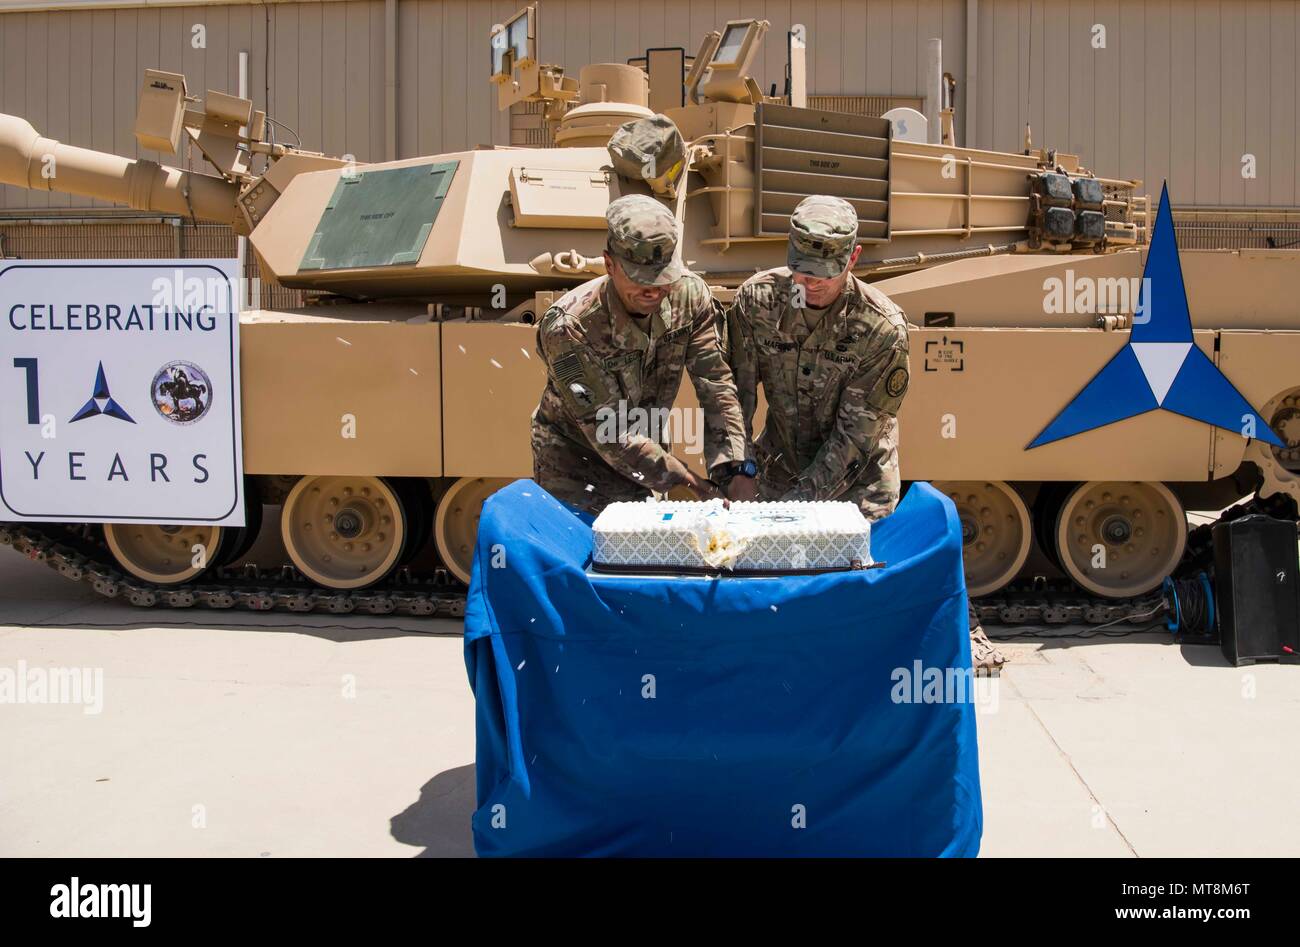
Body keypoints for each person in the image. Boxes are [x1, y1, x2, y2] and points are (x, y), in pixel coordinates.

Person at [724, 195, 1005, 672]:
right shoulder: (758, 302)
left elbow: (855, 439)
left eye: (823, 271)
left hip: (857, 483)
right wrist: (739, 468)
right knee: (769, 601)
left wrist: (793, 511)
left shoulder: (881, 328)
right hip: (779, 466)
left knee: (861, 604)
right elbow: (737, 399)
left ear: (853, 258)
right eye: (800, 268)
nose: (808, 282)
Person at [531, 194, 752, 514]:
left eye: (662, 278)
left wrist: (734, 468)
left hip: (649, 465)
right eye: (639, 278)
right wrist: (693, 484)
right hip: (576, 473)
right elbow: (610, 431)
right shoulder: (569, 326)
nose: (653, 290)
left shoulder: (689, 297)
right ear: (609, 263)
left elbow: (715, 383)